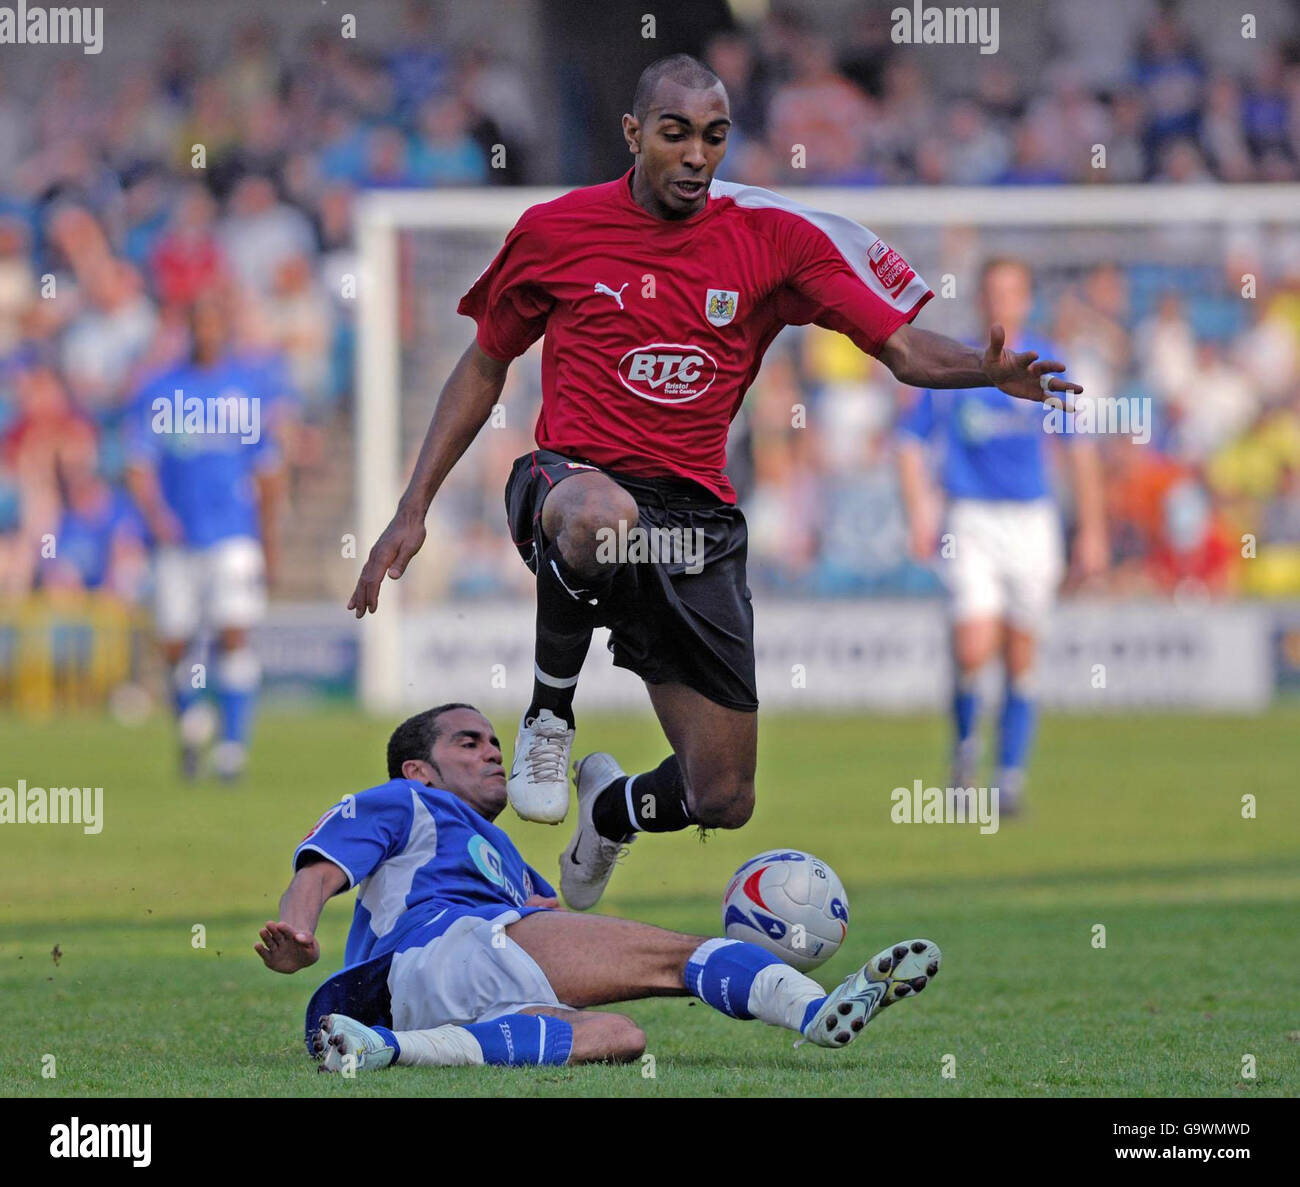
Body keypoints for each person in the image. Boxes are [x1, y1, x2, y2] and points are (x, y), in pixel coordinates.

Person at [348, 54, 1082, 910]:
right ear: (633, 134)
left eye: (715, 136)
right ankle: (550, 714)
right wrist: (412, 507)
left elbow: (903, 347)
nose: (697, 154)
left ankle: (613, 808)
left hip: (694, 522)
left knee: (723, 796)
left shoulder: (774, 241)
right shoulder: (556, 230)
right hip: (573, 483)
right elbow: (484, 365)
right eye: (676, 134)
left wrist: (983, 372)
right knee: (596, 513)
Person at [255, 703, 942, 1071]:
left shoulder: (503, 858)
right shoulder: (406, 804)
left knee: (619, 1036)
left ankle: (383, 1051)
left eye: (495, 741)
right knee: (678, 957)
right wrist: (299, 932)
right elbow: (317, 871)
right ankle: (812, 1011)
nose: (493, 750)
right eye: (468, 742)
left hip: (410, 1003)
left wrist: (591, 843)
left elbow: (562, 919)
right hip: (437, 949)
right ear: (418, 769)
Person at [896, 258, 1107, 812]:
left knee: (1021, 656)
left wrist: (1092, 530)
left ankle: (1009, 779)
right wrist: (920, 510)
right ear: (981, 299)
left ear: (1027, 298)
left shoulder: (1045, 363)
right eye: (992, 291)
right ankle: (965, 753)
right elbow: (909, 440)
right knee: (972, 647)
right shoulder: (960, 365)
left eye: (1012, 291)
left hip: (1032, 521)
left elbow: (1078, 451)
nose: (1001, 302)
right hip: (970, 519)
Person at [125, 291, 284, 780]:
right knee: (174, 642)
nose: (207, 333)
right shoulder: (159, 390)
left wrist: (268, 542)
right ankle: (193, 721)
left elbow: (268, 473)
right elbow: (138, 464)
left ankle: (231, 752)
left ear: (225, 329)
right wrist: (155, 517)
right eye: (199, 324)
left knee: (234, 633)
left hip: (234, 534)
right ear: (188, 330)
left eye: (215, 324)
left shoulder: (247, 388)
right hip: (177, 538)